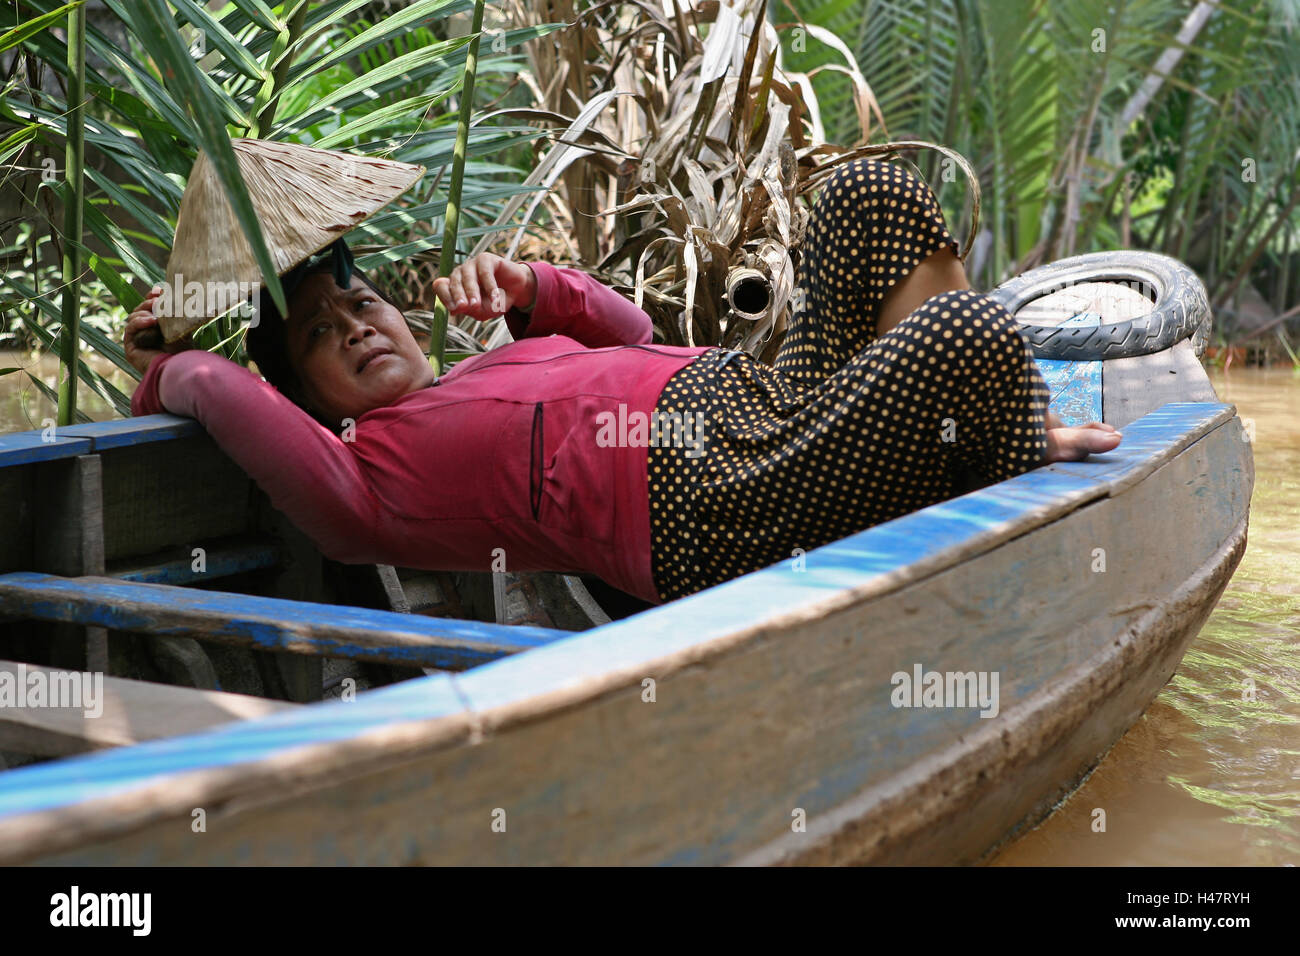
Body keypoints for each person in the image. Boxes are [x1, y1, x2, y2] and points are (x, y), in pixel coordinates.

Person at [124, 158, 1121, 605]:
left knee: (873, 193)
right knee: (962, 332)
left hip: (758, 405)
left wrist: (533, 286)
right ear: (305, 400)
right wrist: (165, 357)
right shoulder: (368, 479)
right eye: (318, 338)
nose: (356, 327)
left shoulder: (493, 358)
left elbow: (635, 331)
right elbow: (215, 383)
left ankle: (963, 444)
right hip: (711, 504)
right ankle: (996, 443)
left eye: (362, 302)